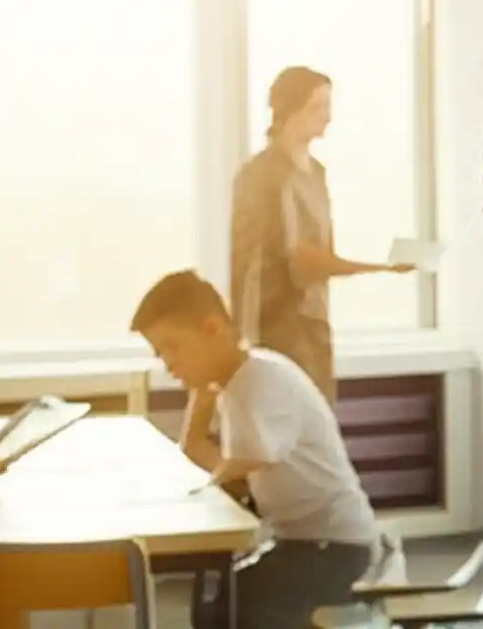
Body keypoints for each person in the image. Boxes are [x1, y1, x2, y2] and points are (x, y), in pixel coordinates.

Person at [130, 270, 377, 629]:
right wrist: (202, 393)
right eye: (160, 353)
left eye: (173, 347)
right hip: (300, 541)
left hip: (335, 547)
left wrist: (202, 455)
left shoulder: (261, 381)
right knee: (216, 605)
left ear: (213, 328)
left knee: (232, 608)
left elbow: (234, 472)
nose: (168, 364)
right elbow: (204, 456)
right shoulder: (235, 382)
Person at [230, 66, 414, 404]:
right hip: (275, 330)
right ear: (289, 109)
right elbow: (301, 262)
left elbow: (320, 253)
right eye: (318, 107)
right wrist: (381, 269)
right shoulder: (264, 174)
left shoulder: (315, 173)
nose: (328, 117)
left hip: (313, 325)